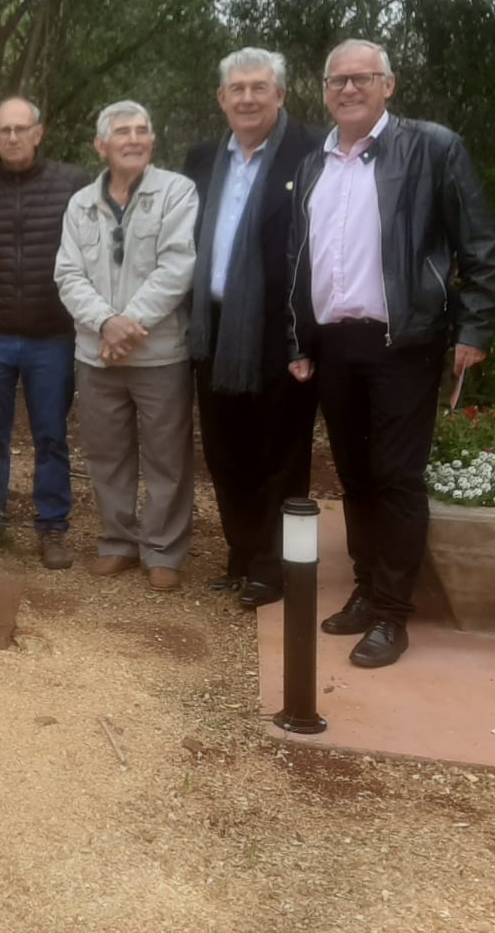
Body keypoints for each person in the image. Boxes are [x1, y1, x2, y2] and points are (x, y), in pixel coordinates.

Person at [287, 38, 495, 668]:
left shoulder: (434, 147)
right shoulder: (313, 163)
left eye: (362, 78)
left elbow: (483, 249)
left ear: (390, 84)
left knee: (396, 477)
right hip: (335, 344)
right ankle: (365, 590)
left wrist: (474, 330)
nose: (348, 89)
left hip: (404, 341)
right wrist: (298, 339)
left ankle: (392, 614)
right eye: (337, 80)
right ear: (324, 90)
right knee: (354, 476)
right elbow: (298, 260)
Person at [181, 48, 320, 608]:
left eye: (259, 88)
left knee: (280, 453)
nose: (247, 98)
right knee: (225, 450)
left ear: (280, 95)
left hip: (279, 327)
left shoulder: (310, 153)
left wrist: (304, 334)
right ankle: (241, 554)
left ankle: (273, 566)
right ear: (221, 99)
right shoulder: (200, 159)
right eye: (236, 89)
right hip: (213, 329)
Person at [55, 101, 199, 591]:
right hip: (96, 354)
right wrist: (105, 324)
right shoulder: (80, 204)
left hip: (159, 353)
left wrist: (128, 324)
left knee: (166, 455)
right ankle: (117, 541)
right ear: (101, 145)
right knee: (106, 454)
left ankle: (163, 550)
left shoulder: (177, 192)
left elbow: (177, 266)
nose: (134, 139)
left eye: (142, 131)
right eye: (122, 132)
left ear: (152, 142)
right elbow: (68, 274)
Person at [0, 96, 89, 570]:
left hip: (52, 332)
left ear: (39, 133)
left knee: (51, 435)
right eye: (4, 130)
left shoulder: (73, 185)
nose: (13, 137)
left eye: (22, 129)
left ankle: (53, 526)